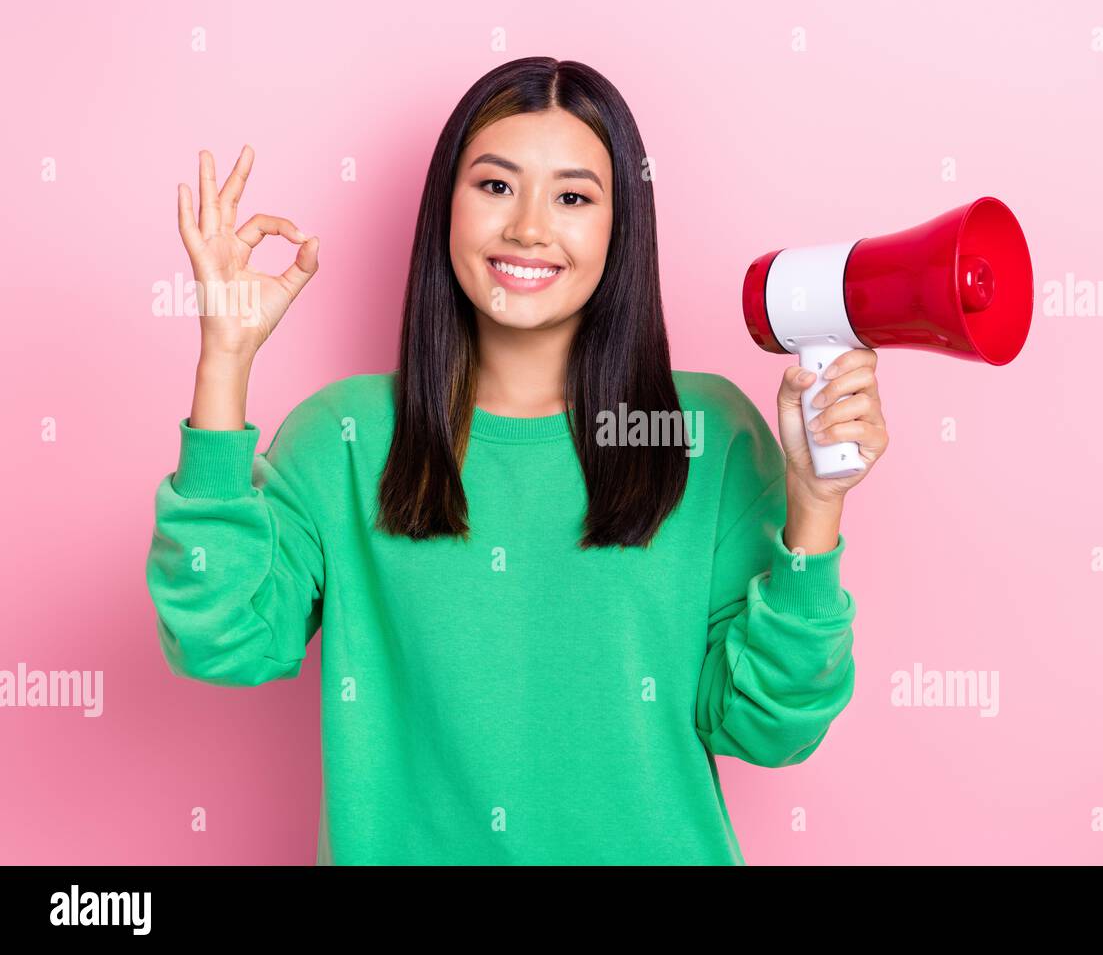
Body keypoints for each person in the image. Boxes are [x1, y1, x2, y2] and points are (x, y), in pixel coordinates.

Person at [145, 56, 889, 866]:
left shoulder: (696, 432)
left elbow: (766, 728)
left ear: (619, 228)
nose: (529, 227)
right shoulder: (345, 439)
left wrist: (815, 506)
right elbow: (222, 641)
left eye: (573, 197)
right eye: (496, 186)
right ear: (446, 207)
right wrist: (224, 361)